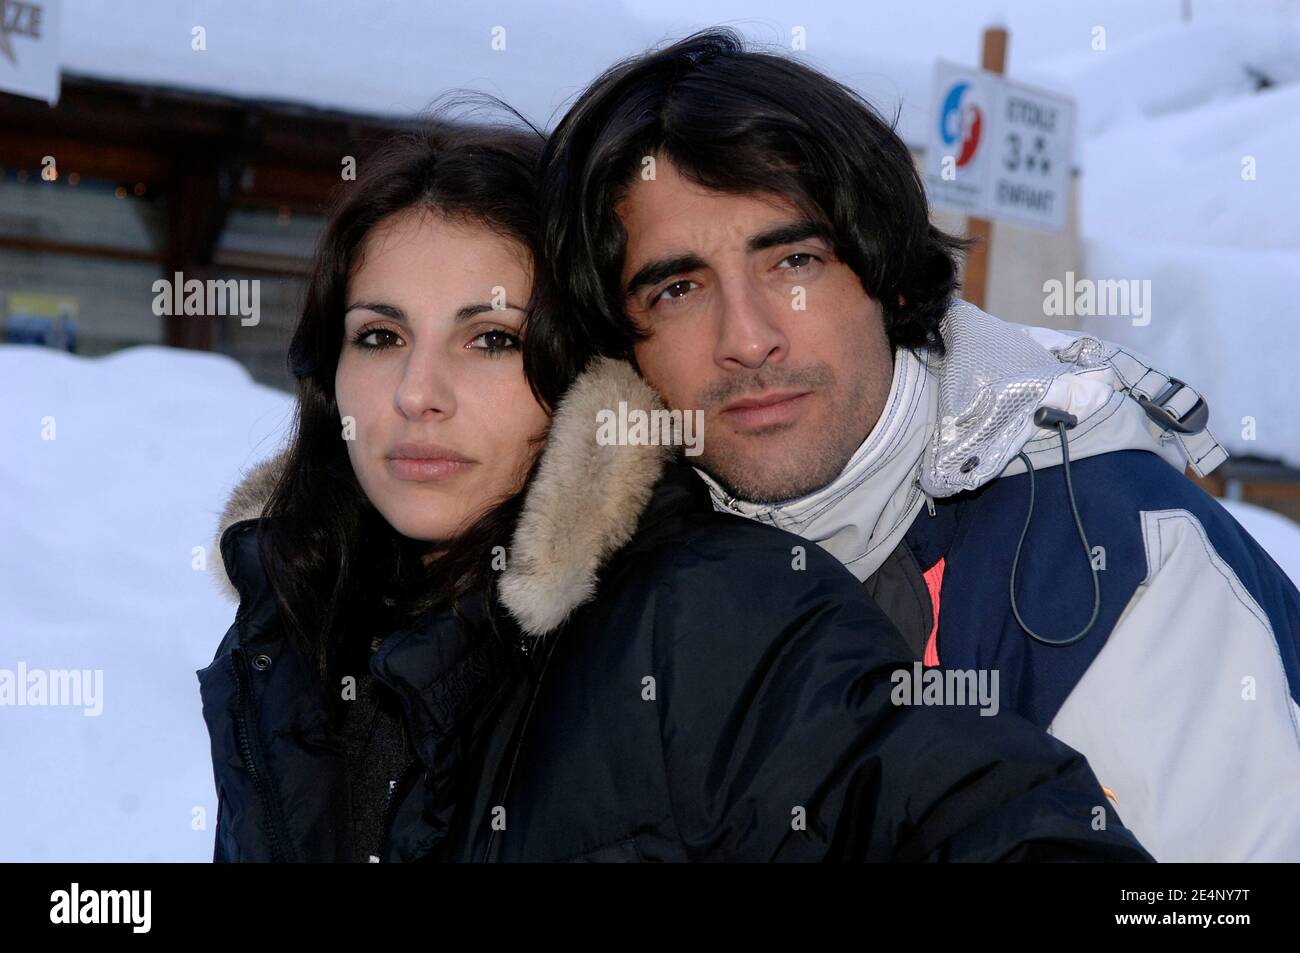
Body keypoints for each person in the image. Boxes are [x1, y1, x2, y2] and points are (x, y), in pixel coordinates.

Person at [199, 115, 1152, 862]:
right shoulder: (284, 626)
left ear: (580, 369)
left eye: (491, 340)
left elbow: (975, 816)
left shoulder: (709, 609)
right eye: (381, 336)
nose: (417, 395)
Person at [535, 27, 1300, 861]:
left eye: (794, 260)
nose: (749, 340)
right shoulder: (596, 581)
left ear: (890, 275)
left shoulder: (1120, 557)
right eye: (679, 287)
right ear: (620, 343)